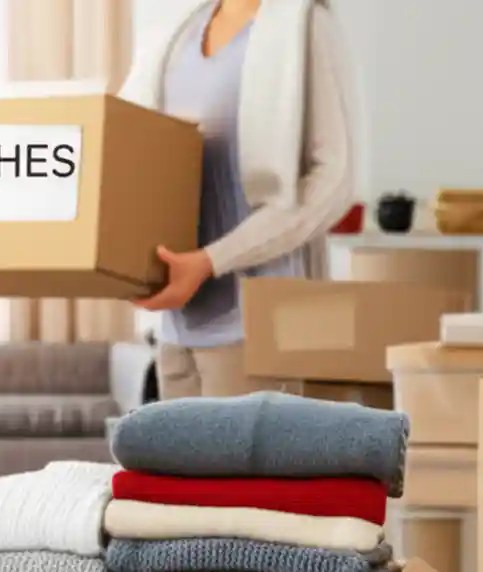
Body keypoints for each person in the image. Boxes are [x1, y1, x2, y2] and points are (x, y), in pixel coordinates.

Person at [120, 0, 357, 399]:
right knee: (175, 461)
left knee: (245, 462)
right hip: (177, 330)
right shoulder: (175, 34)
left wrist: (213, 260)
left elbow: (333, 180)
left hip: (259, 330)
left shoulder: (305, 26)